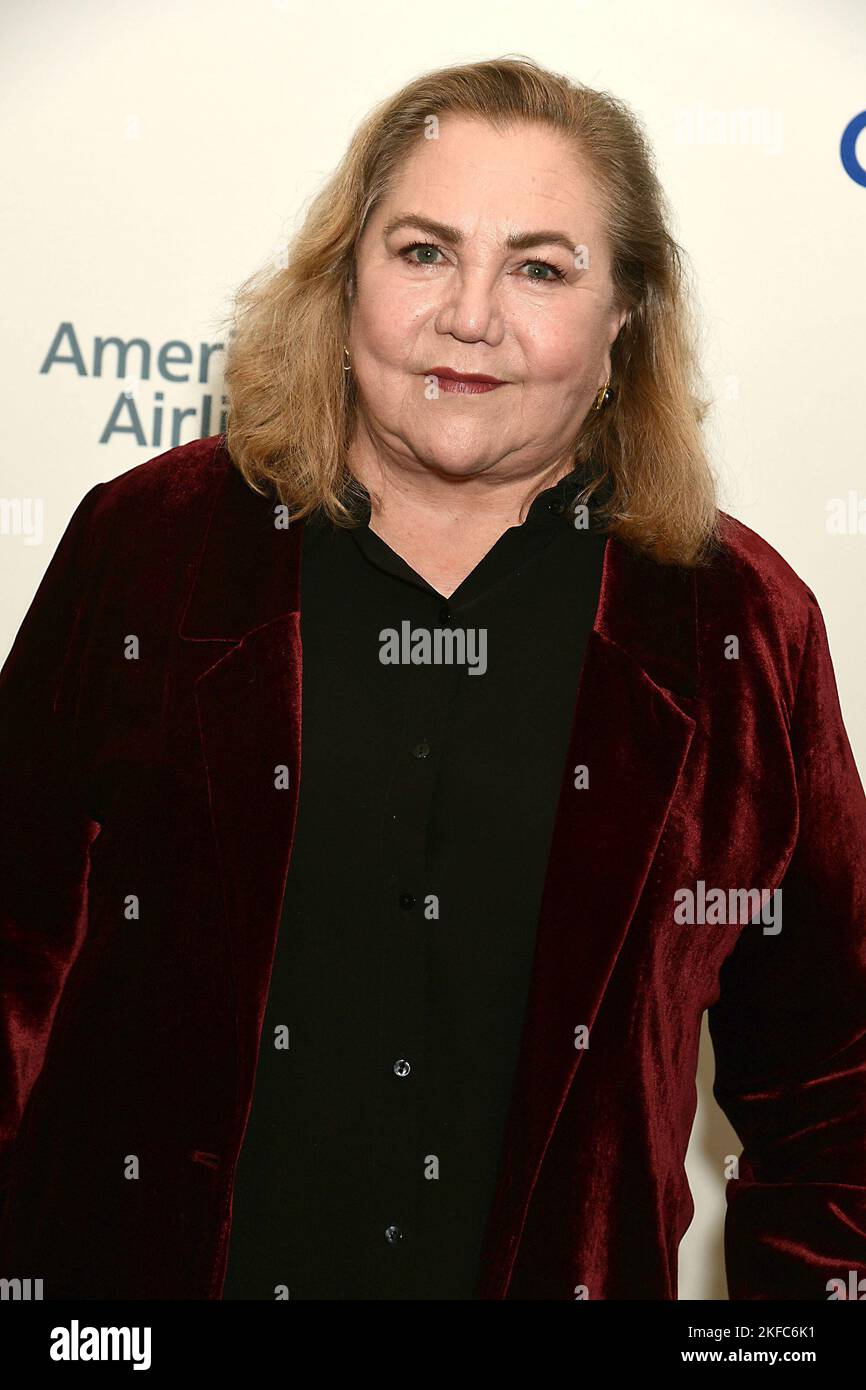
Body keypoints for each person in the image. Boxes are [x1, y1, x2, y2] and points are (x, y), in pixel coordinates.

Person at [1, 55, 865, 1302]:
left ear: (624, 318)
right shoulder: (150, 549)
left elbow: (833, 1087)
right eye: (422, 251)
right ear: (345, 276)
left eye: (538, 266)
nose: (471, 314)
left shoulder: (735, 626)